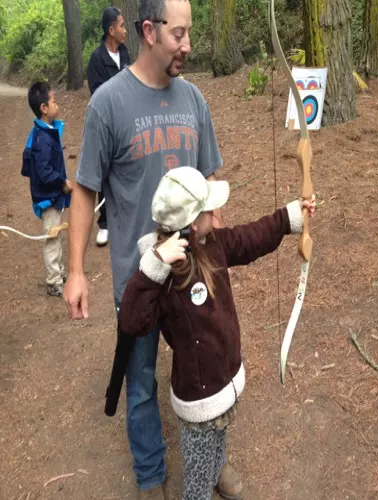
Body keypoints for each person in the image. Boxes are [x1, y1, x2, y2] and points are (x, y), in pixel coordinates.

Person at [64, 1, 224, 498]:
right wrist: (75, 270)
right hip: (139, 281)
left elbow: (209, 177)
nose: (188, 46)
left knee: (208, 371)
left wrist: (215, 232)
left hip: (191, 275)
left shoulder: (194, 100)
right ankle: (151, 476)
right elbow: (86, 190)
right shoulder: (107, 104)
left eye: (190, 33)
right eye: (180, 34)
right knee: (140, 386)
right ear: (149, 32)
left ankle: (213, 465)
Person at [117, 167, 315, 500]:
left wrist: (288, 217)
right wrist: (153, 266)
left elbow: (251, 237)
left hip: (225, 381)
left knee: (219, 443)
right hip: (197, 398)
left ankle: (217, 469)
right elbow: (133, 322)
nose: (216, 212)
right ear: (193, 222)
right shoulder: (163, 273)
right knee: (196, 485)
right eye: (210, 209)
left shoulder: (212, 243)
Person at [22, 81, 72, 297]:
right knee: (52, 237)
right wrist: (62, 183)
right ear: (44, 108)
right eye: (53, 100)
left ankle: (59, 273)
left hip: (53, 196)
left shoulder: (48, 131)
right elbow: (43, 172)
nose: (56, 104)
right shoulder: (42, 138)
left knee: (57, 235)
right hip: (48, 197)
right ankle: (53, 281)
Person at [87, 6, 131, 247]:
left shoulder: (125, 53)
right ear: (110, 29)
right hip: (108, 125)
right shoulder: (96, 59)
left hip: (127, 120)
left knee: (125, 168)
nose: (125, 30)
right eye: (122, 26)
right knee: (105, 173)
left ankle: (124, 215)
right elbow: (96, 93)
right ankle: (104, 224)